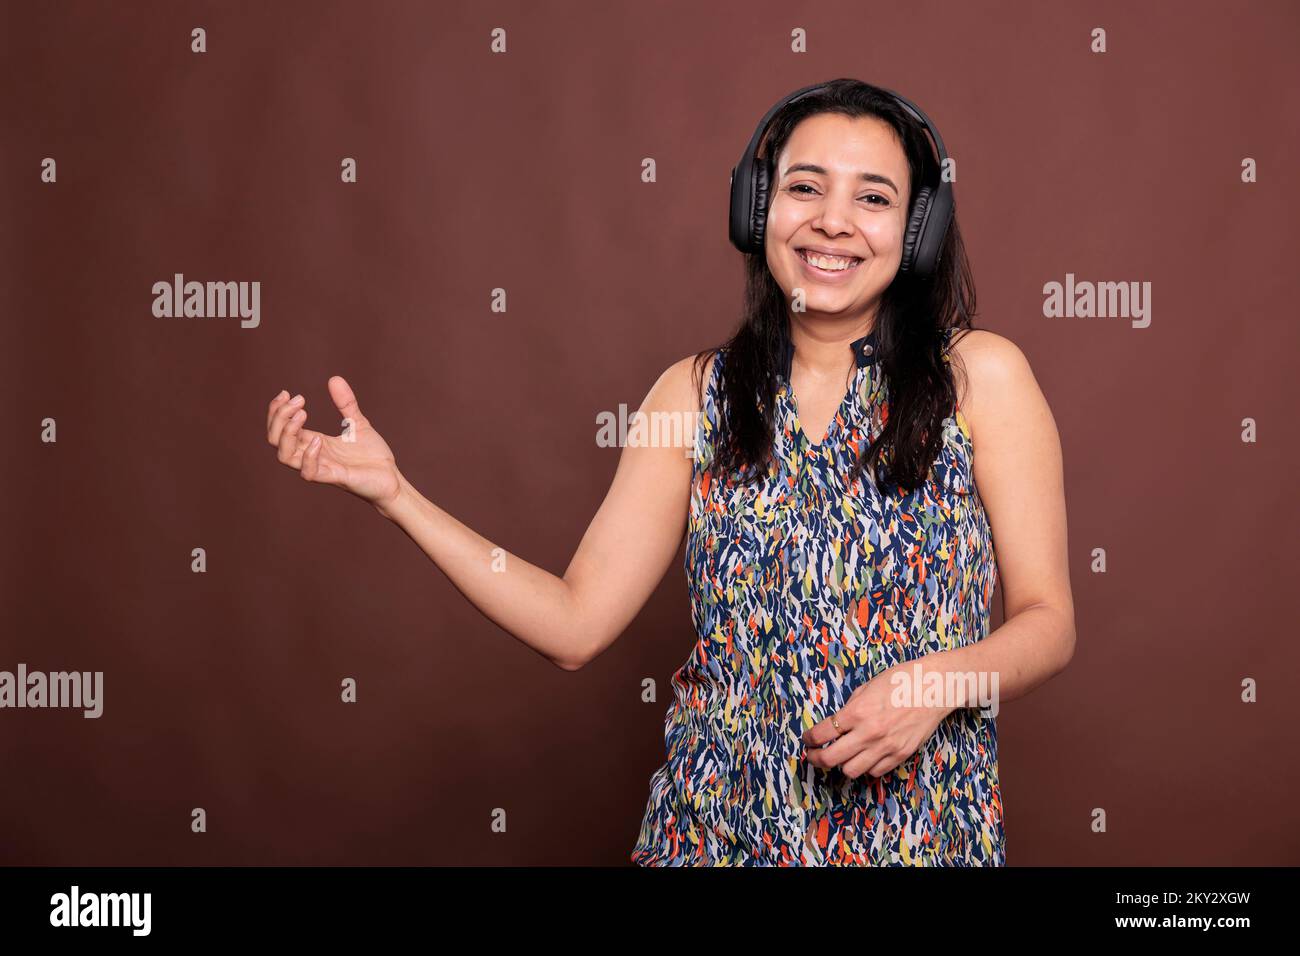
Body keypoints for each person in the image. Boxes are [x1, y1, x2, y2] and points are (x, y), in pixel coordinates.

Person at [262, 78, 1074, 866]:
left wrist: (933, 685)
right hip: (708, 834)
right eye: (803, 188)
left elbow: (1047, 619)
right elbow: (575, 626)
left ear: (918, 228)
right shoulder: (691, 395)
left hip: (918, 836)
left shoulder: (982, 379)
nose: (832, 223)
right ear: (757, 210)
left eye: (872, 198)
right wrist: (399, 497)